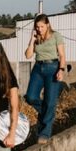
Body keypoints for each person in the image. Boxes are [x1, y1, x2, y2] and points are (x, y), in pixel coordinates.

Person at [24, 13, 66, 144]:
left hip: (52, 67)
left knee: (50, 101)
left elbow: (62, 55)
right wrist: (32, 40)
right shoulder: (36, 38)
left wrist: (61, 69)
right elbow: (28, 55)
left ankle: (44, 134)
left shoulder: (56, 36)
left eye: (41, 26)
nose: (39, 29)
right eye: (37, 27)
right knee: (30, 97)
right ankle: (46, 112)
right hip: (38, 68)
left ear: (47, 25)